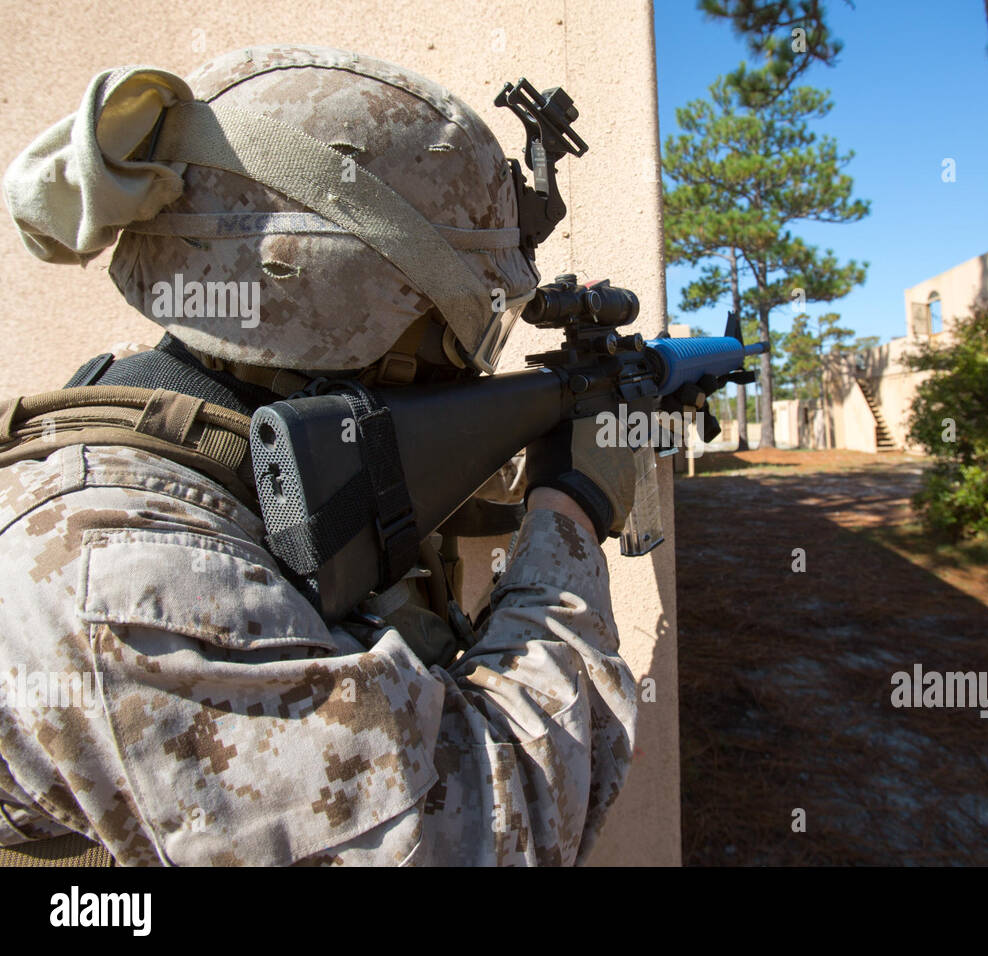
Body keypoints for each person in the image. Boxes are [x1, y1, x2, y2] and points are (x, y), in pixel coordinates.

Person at [0, 46, 638, 866]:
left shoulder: (189, 426)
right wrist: (572, 508)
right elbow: (485, 830)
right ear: (357, 306)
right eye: (469, 331)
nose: (473, 368)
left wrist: (558, 438)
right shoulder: (128, 586)